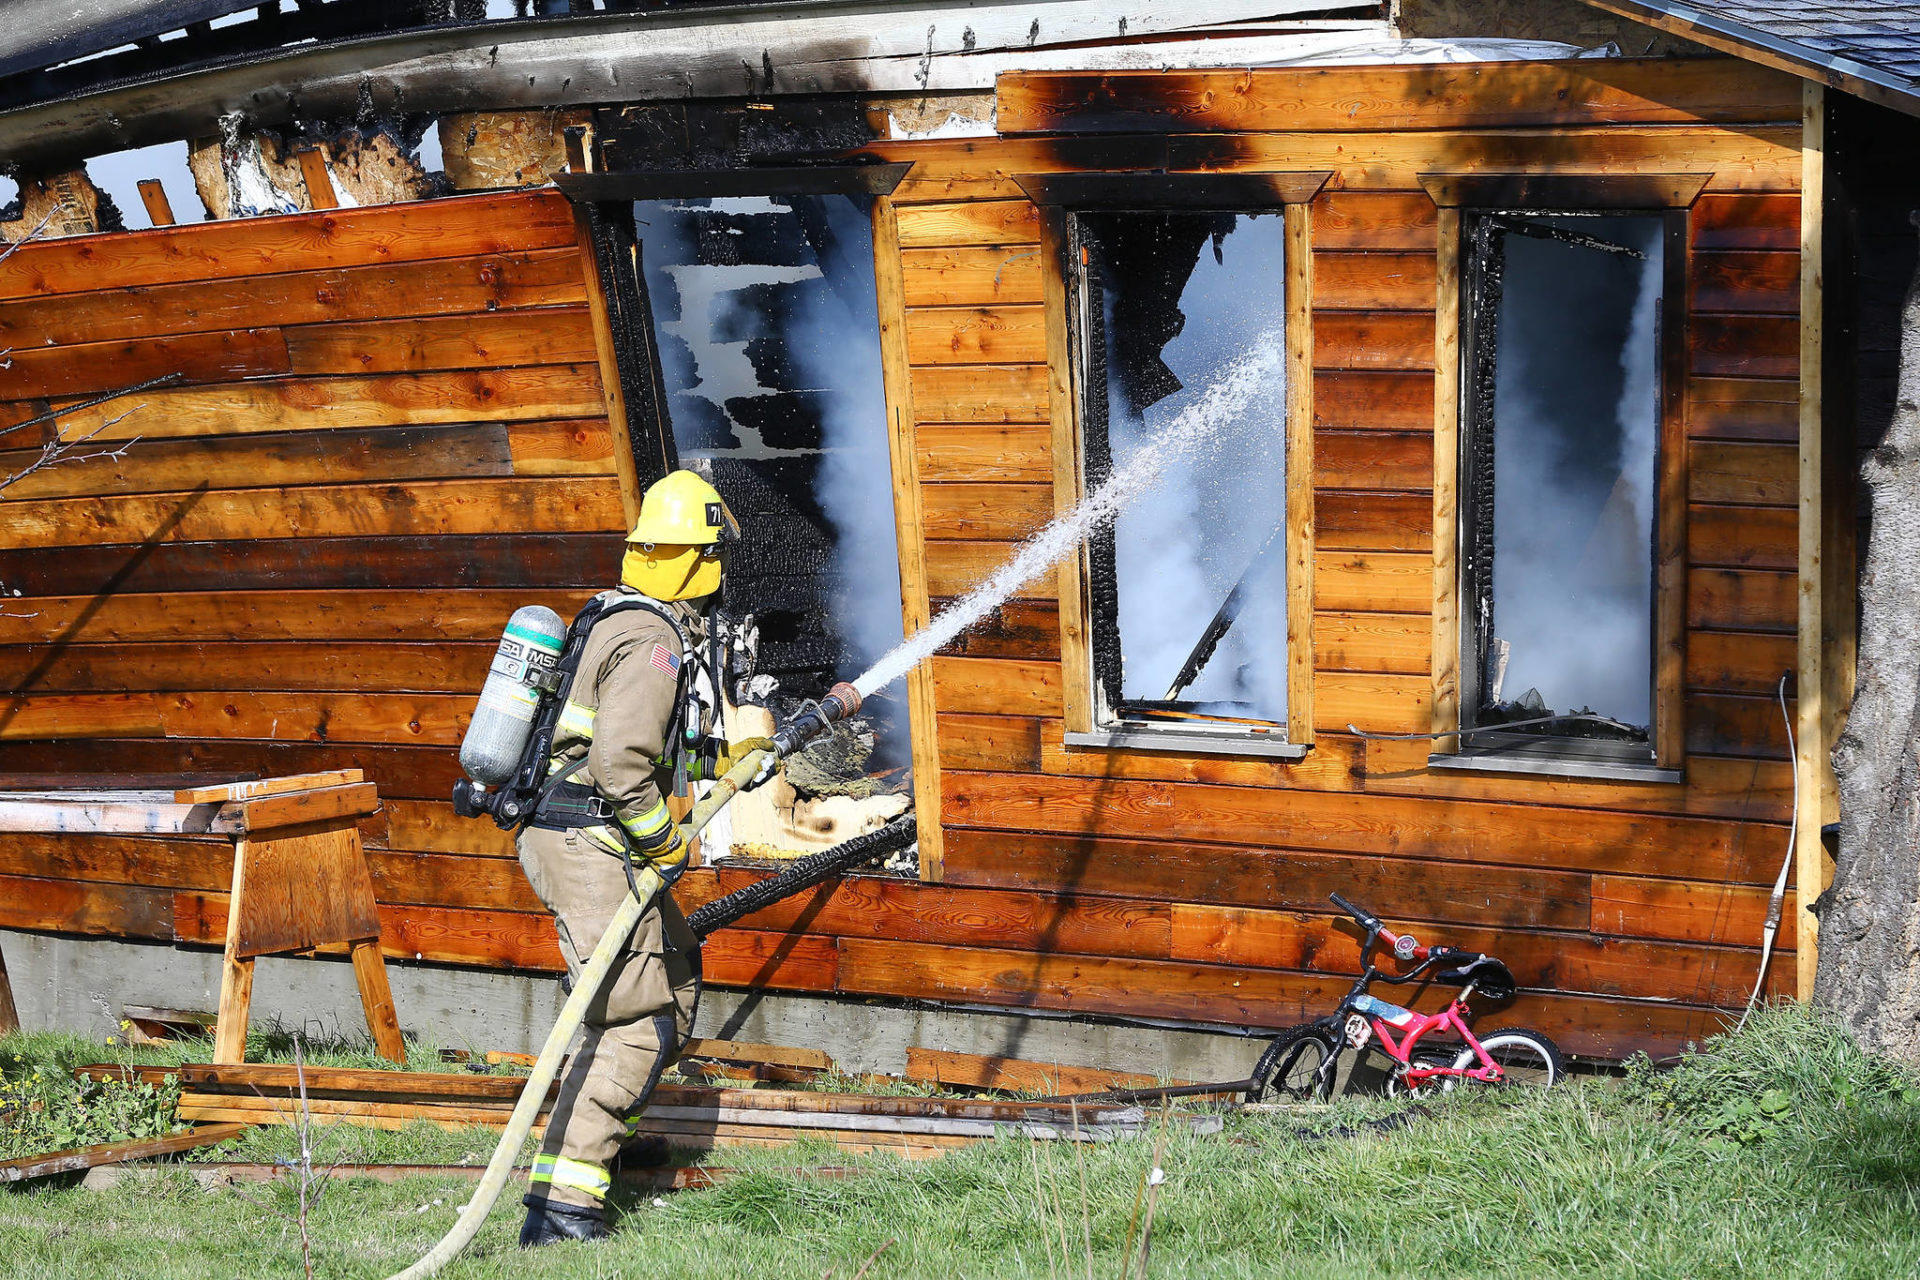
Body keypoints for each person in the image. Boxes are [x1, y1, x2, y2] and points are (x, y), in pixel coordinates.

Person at [515, 468, 748, 1246]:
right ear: (698, 560)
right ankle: (565, 1209)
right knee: (636, 1020)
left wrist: (734, 757)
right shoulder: (653, 638)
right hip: (593, 838)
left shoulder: (617, 615)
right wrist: (667, 841)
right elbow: (620, 765)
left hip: (583, 830)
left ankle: (594, 1149)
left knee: (673, 978)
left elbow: (642, 751)